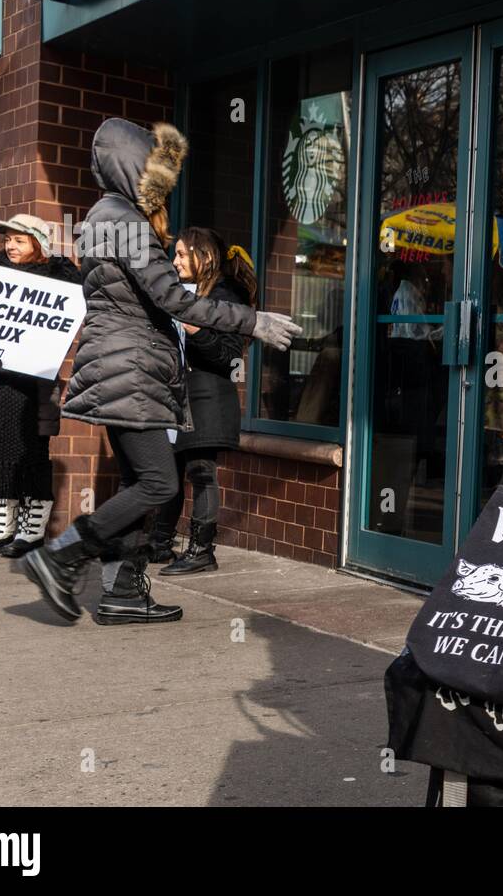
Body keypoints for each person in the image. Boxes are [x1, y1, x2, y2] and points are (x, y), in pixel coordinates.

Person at [23, 118, 301, 626]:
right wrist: (252, 320)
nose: (160, 188)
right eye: (154, 173)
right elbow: (174, 299)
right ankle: (60, 554)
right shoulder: (125, 221)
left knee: (136, 481)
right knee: (159, 484)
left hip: (120, 368)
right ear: (133, 169)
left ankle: (122, 593)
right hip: (131, 370)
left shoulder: (103, 218)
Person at [0, 215, 81, 557]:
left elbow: (76, 298)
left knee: (32, 451)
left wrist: (59, 264)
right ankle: (0, 526)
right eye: (8, 239)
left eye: (20, 240)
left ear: (38, 244)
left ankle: (32, 530)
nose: (10, 246)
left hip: (35, 382)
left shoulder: (57, 275)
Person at [144, 228, 256, 575]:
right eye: (173, 255)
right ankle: (159, 543)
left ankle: (202, 549)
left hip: (208, 398)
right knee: (170, 469)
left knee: (201, 472)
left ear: (204, 256)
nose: (174, 261)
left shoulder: (226, 296)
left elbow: (229, 357)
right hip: (177, 396)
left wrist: (192, 327)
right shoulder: (185, 295)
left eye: (180, 254)